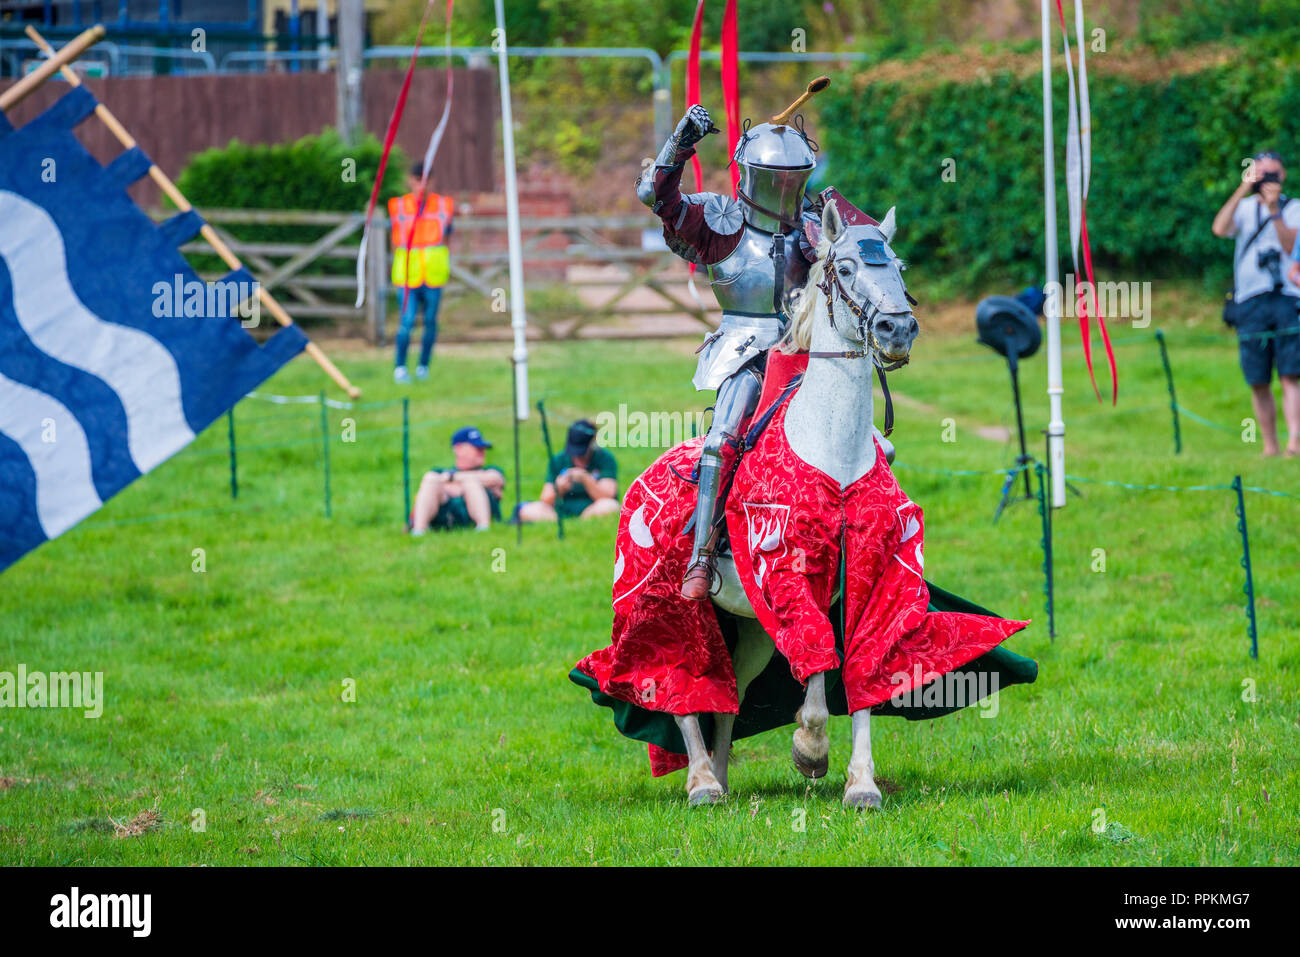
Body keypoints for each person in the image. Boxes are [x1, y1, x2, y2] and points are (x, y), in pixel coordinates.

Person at [636, 97, 893, 599]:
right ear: (750, 175)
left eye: (796, 178)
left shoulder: (816, 226)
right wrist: (682, 140)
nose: (786, 189)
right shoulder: (718, 224)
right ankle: (702, 557)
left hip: (809, 355)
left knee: (871, 444)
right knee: (721, 439)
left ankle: (880, 549)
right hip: (746, 352)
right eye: (779, 178)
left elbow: (872, 250)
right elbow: (654, 192)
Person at [1212, 149, 1300, 457]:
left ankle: (1294, 443)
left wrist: (1275, 210)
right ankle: (1269, 445)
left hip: (1289, 298)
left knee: (1291, 373)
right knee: (1257, 377)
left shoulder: (1295, 209)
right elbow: (1220, 229)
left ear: (1284, 175)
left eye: (1272, 175)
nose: (1268, 181)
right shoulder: (1245, 207)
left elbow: (1293, 247)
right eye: (1261, 175)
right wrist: (1242, 188)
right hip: (1250, 299)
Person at [389, 161, 455, 384]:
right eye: (417, 180)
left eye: (426, 180)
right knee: (406, 322)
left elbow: (446, 237)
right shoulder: (398, 206)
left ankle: (423, 367)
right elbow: (394, 239)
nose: (422, 186)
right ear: (410, 180)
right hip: (408, 277)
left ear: (432, 181)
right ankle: (400, 367)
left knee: (430, 322)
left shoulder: (443, 206)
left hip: (433, 276)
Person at [517, 419, 620, 522]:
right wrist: (559, 488)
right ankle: (559, 522)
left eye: (582, 454)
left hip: (592, 508)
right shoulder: (558, 460)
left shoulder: (605, 459)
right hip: (560, 511)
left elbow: (608, 496)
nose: (577, 458)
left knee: (610, 506)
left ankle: (584, 521)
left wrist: (585, 479)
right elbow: (545, 500)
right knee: (528, 510)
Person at [410, 426, 503, 534]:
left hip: (473, 518)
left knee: (470, 482)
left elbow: (495, 479)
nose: (482, 452)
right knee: (430, 479)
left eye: (482, 448)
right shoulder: (439, 472)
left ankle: (483, 528)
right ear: (458, 449)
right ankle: (419, 530)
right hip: (445, 516)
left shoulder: (491, 470)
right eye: (477, 448)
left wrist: (452, 479)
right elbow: (432, 482)